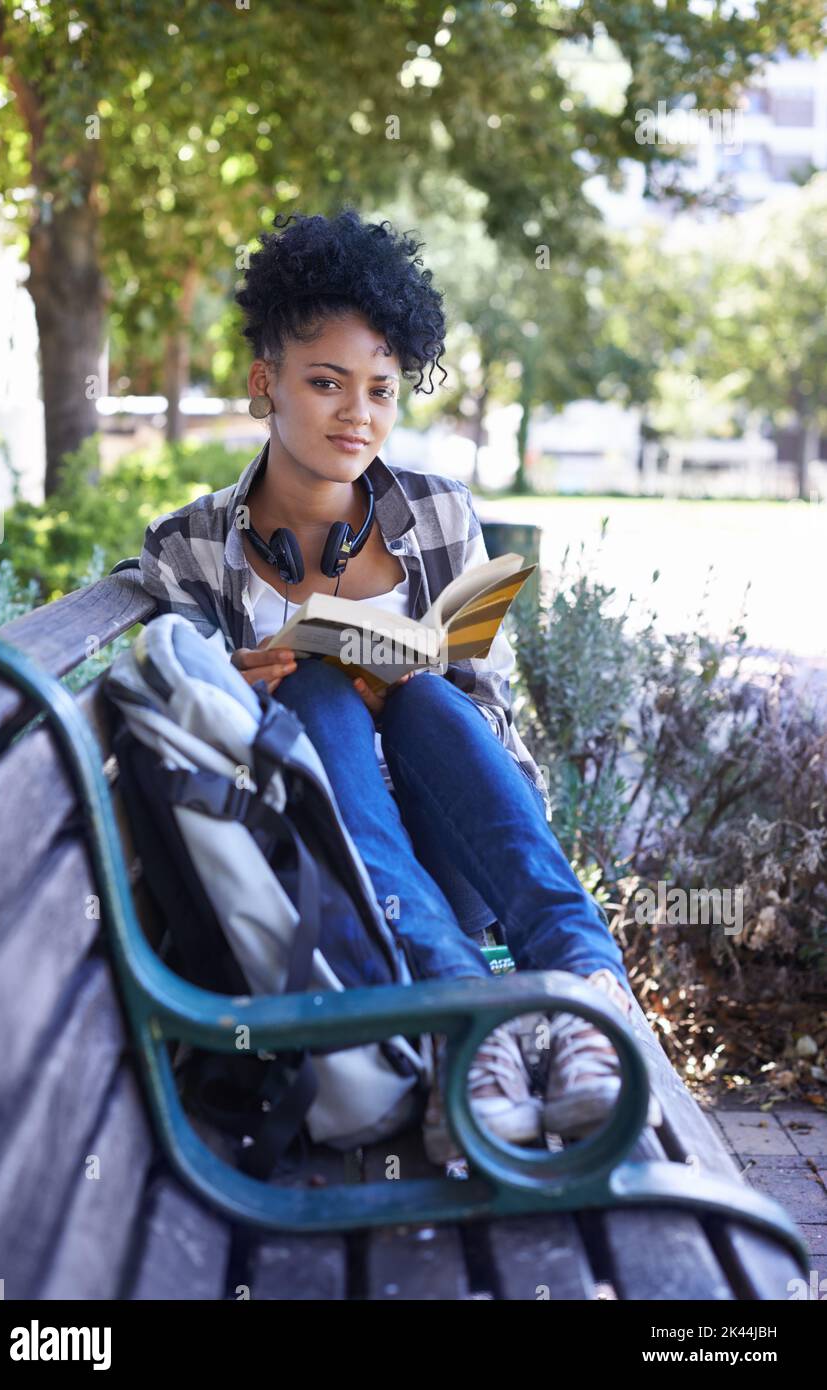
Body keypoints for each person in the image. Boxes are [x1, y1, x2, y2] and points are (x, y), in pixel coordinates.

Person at [138, 206, 661, 1163]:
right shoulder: (188, 549)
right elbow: (204, 747)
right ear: (266, 385)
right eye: (326, 383)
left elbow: (488, 717)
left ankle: (587, 993)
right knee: (316, 696)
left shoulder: (437, 512)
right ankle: (475, 1026)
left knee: (425, 696)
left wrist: (411, 680)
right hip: (327, 874)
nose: (358, 415)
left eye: (381, 389)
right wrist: (246, 690)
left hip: (459, 851)